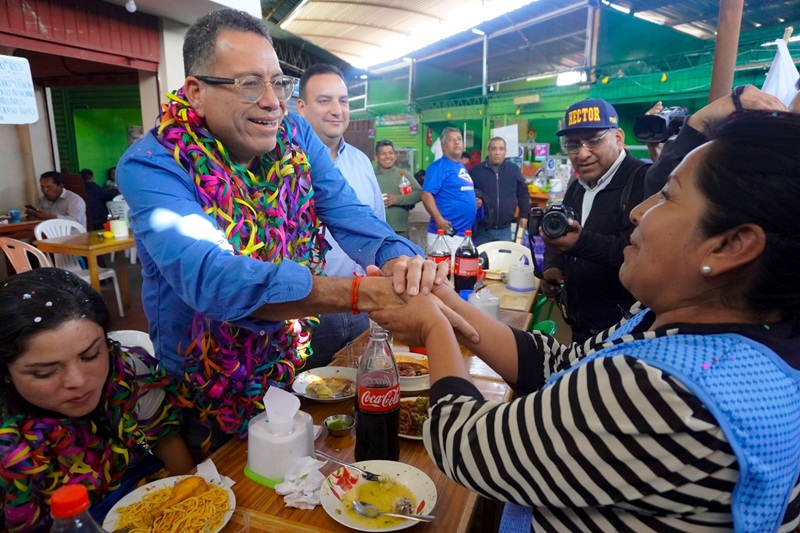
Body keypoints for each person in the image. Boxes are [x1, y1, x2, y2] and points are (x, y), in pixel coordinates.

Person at [370, 111, 800, 531]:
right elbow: (557, 364)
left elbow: (465, 444)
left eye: (667, 195)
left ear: (730, 247)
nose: (638, 212)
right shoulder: (686, 333)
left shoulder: (662, 391)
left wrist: (433, 326)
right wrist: (442, 297)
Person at [116, 9, 453, 459]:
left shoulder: (294, 133)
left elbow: (348, 212)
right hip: (205, 387)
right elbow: (213, 278)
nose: (273, 101)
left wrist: (398, 258)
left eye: (278, 83)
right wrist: (363, 294)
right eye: (249, 84)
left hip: (288, 363)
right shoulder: (153, 164)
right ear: (196, 91)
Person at [0, 268, 193, 532]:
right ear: (6, 373)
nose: (79, 381)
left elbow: (166, 440)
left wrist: (194, 504)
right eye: (45, 372)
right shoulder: (7, 440)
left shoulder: (129, 373)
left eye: (90, 355)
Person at [296, 63, 385, 368]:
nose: (337, 110)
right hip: (306, 310)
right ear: (301, 107)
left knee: (362, 386)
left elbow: (376, 229)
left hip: (360, 305)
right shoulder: (283, 164)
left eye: (343, 101)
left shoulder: (361, 162)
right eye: (324, 101)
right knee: (307, 396)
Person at [542, 98, 648, 344]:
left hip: (624, 333)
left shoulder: (643, 182)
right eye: (573, 144)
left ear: (618, 138)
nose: (582, 153)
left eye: (594, 140)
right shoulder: (576, 187)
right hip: (580, 325)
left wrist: (581, 243)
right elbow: (560, 238)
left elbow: (637, 252)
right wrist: (553, 266)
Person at [421, 127, 478, 252]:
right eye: (451, 140)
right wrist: (439, 220)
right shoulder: (438, 167)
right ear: (442, 146)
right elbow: (426, 195)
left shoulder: (460, 166)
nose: (456, 142)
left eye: (459, 139)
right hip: (445, 235)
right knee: (444, 271)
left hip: (462, 234)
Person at [469, 136, 530, 245]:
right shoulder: (476, 171)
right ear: (488, 151)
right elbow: (467, 194)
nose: (497, 152)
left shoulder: (513, 170)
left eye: (501, 149)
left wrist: (524, 215)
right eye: (494, 149)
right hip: (482, 231)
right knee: (481, 261)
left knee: (504, 261)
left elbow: (523, 193)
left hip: (505, 230)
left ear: (505, 152)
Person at [374, 139, 422, 238]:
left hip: (400, 231)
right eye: (383, 153)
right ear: (376, 157)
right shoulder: (370, 176)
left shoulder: (404, 175)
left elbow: (419, 194)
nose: (388, 156)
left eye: (390, 153)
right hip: (375, 231)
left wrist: (397, 199)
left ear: (395, 156)